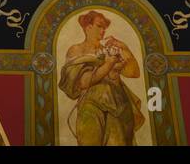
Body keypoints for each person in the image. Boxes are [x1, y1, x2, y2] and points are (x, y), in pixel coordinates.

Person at [58, 11, 145, 145]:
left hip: (118, 109)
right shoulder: (77, 50)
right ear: (88, 27)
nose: (103, 30)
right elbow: (84, 82)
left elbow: (133, 73)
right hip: (91, 108)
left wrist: (124, 47)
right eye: (99, 26)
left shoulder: (110, 50)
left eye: (104, 27)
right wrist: (109, 64)